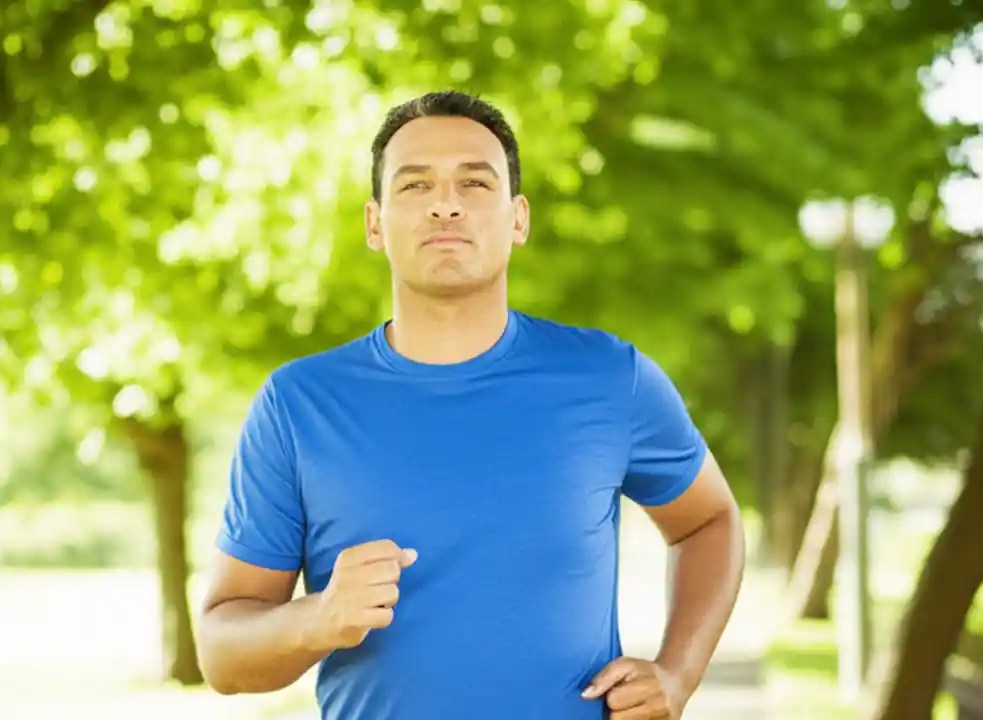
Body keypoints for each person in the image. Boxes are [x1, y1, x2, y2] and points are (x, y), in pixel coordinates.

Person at [195, 90, 745, 720]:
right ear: (375, 224)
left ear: (518, 218)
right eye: (414, 185)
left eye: (475, 183)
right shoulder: (297, 404)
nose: (446, 203)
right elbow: (220, 653)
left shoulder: (609, 378)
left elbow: (710, 521)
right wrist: (318, 618)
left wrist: (678, 673)